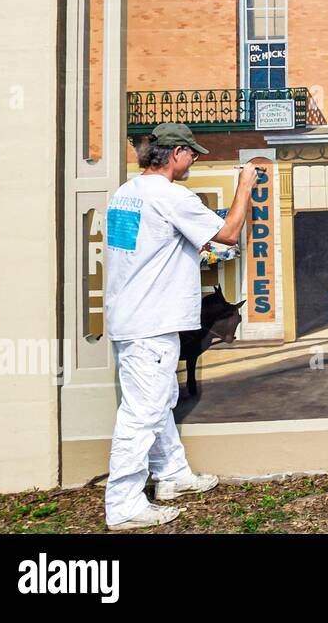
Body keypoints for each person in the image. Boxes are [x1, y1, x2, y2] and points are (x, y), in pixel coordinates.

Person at [102, 123, 260, 530]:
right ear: (174, 155)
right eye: (192, 153)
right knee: (141, 412)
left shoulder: (127, 193)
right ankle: (123, 504)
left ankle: (173, 474)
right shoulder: (171, 196)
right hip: (152, 321)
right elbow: (227, 233)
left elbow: (148, 249)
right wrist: (244, 186)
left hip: (132, 318)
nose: (194, 159)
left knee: (160, 399)